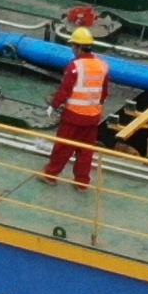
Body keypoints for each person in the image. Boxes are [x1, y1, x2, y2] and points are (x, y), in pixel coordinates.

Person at [40, 26, 110, 185]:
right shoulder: (102, 65)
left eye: (73, 45)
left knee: (63, 147)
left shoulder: (75, 66)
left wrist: (53, 105)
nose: (72, 49)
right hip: (93, 117)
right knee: (85, 151)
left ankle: (50, 175)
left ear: (78, 47)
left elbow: (65, 90)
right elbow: (104, 92)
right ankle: (82, 182)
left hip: (73, 117)